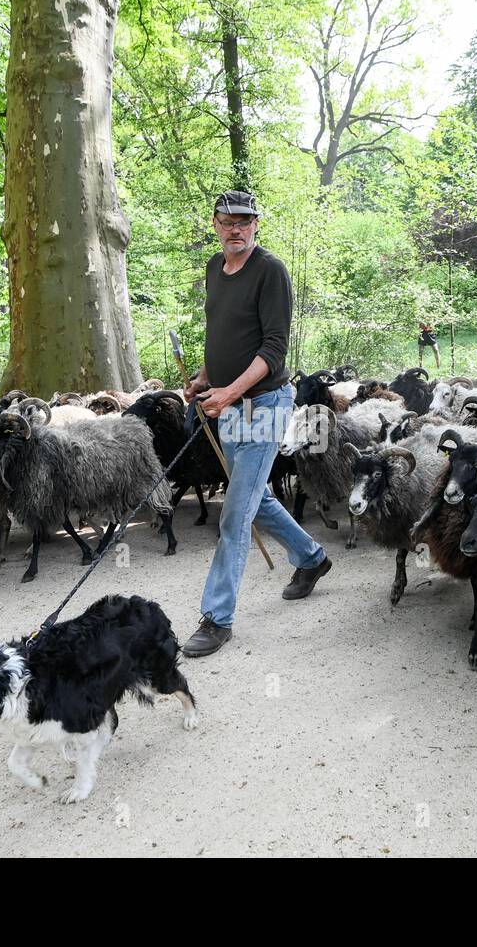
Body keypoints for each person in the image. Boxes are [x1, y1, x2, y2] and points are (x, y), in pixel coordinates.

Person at [181, 191, 332, 658]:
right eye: (228, 221)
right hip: (229, 408)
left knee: (234, 512)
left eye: (245, 222)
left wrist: (230, 392)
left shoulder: (271, 271)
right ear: (215, 223)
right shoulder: (213, 268)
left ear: (256, 225)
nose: (236, 229)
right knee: (255, 499)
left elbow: (272, 349)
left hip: (265, 406)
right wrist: (207, 378)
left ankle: (216, 617)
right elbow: (221, 333)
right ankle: (312, 558)